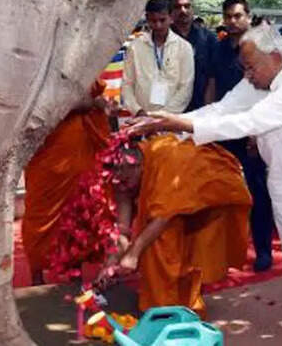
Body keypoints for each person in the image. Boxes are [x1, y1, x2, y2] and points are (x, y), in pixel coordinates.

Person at [128, 24, 282, 346]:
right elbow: (224, 109)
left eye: (251, 67)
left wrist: (178, 122)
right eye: (245, 67)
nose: (247, 75)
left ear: (273, 57)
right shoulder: (261, 78)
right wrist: (170, 125)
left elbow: (248, 122)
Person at [107, 133, 252, 317]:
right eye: (114, 174)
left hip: (212, 191)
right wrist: (111, 261)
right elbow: (123, 224)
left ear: (136, 164)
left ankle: (168, 311)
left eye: (122, 173)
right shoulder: (121, 174)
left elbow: (162, 217)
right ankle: (165, 308)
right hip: (178, 200)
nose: (117, 180)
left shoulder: (167, 159)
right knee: (161, 243)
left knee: (161, 244)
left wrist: (133, 253)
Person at [207, 0, 277, 272]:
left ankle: (263, 250)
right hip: (224, 130)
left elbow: (267, 92)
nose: (233, 21)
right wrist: (209, 123)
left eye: (238, 16)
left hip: (253, 132)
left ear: (248, 16)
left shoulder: (260, 47)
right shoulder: (219, 47)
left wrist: (256, 134)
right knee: (224, 193)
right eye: (228, 16)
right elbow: (211, 85)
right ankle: (228, 252)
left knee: (257, 192)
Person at [22, 76, 112, 285]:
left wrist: (92, 102)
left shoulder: (80, 55)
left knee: (78, 206)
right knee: (41, 212)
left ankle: (75, 270)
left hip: (78, 141)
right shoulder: (38, 66)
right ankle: (37, 275)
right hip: (46, 144)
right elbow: (50, 103)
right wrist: (91, 103)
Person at [121, 0, 195, 115]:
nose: (158, 25)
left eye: (162, 20)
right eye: (153, 21)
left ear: (171, 18)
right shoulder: (135, 46)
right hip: (141, 118)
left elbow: (185, 88)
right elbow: (127, 84)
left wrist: (163, 116)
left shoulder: (184, 48)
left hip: (171, 118)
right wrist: (138, 111)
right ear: (147, 19)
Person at [169, 0, 218, 112]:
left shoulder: (208, 39)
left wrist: (208, 110)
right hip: (170, 107)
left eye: (187, 6)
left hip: (199, 107)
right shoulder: (163, 38)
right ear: (170, 11)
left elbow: (212, 77)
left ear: (193, 9)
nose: (183, 11)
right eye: (177, 7)